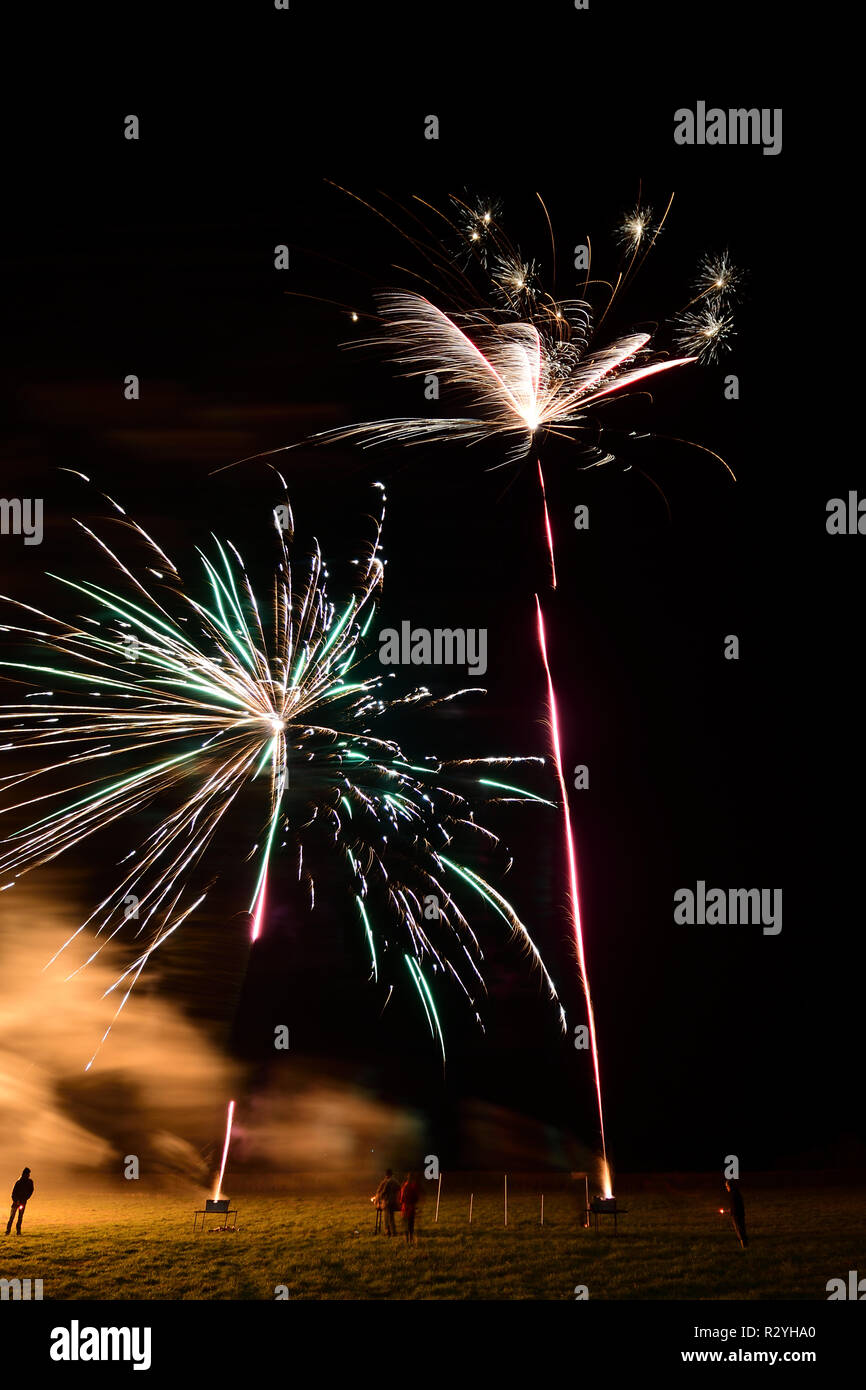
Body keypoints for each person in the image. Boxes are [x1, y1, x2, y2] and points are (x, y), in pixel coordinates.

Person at [6, 1167, 34, 1236]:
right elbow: (13, 1193)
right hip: (17, 1202)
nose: (28, 1175)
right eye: (27, 1174)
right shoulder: (19, 1182)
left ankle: (17, 1231)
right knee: (13, 1217)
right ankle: (9, 1231)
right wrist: (16, 1200)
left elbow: (31, 1191)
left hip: (22, 1202)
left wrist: (25, 1198)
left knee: (19, 1217)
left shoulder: (29, 1182)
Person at [373, 1168, 400, 1237]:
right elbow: (399, 1190)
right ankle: (393, 1232)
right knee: (391, 1217)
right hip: (394, 1202)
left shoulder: (386, 1182)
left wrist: (378, 1199)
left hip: (387, 1202)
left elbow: (382, 1191)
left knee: (387, 1217)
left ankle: (388, 1231)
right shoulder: (396, 1182)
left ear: (386, 1175)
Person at [725, 1178, 748, 1248]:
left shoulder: (733, 1194)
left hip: (737, 1216)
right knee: (742, 1230)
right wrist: (729, 1210)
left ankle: (744, 1247)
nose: (726, 1188)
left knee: (740, 1231)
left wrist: (732, 1211)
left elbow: (735, 1206)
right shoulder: (736, 1193)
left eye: (726, 1186)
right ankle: (746, 1245)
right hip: (740, 1214)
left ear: (729, 1186)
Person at [399, 1172, 421, 1245]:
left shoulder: (404, 1186)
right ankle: (411, 1238)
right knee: (411, 1225)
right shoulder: (414, 1186)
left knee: (405, 1224)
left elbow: (401, 1199)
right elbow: (416, 1197)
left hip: (405, 1208)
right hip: (411, 1208)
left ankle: (407, 1240)